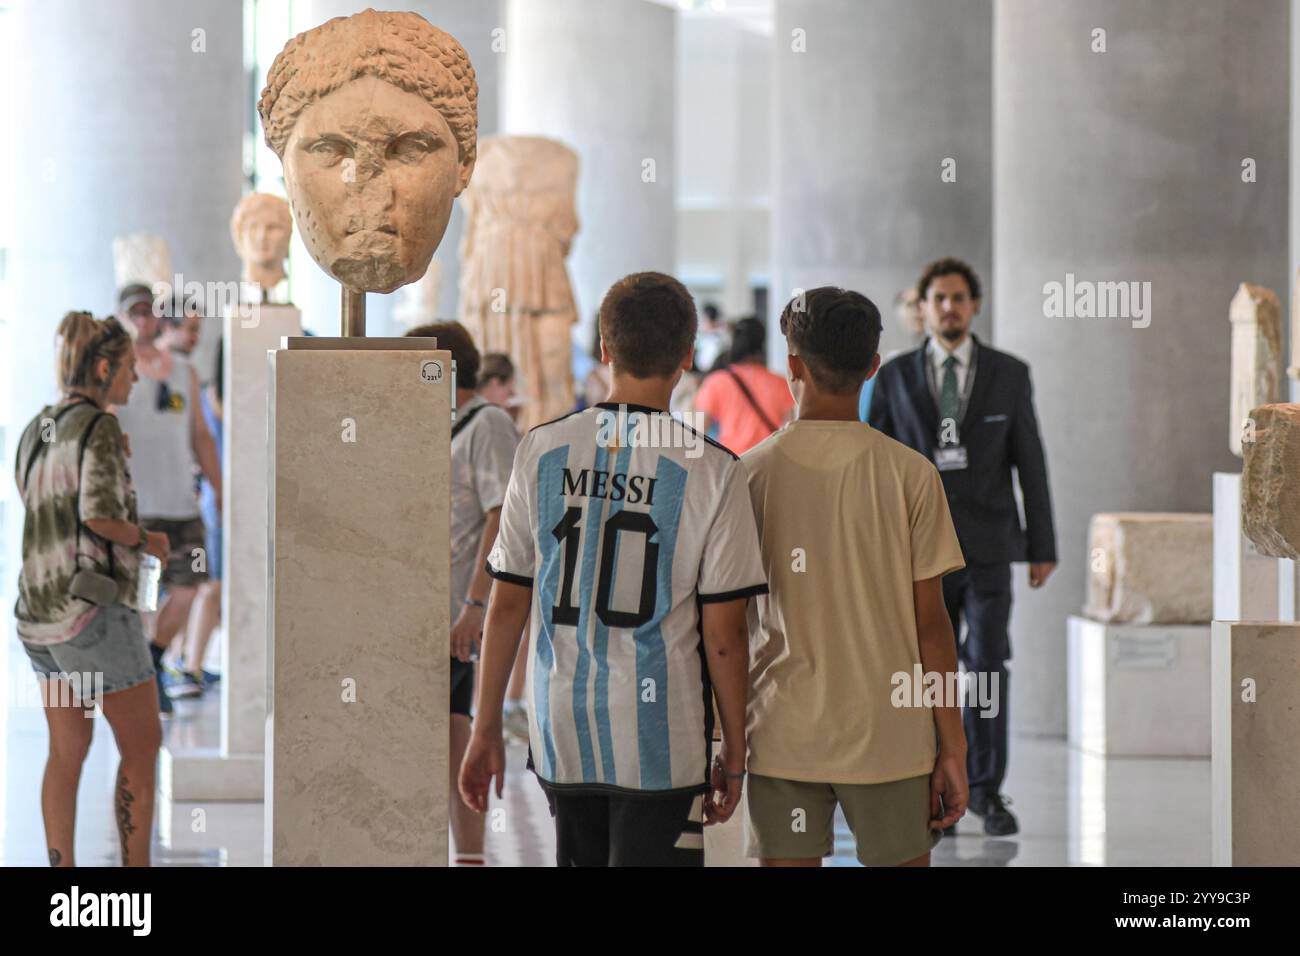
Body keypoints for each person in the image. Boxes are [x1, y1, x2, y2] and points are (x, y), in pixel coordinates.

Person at [459, 271, 767, 867]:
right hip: (662, 734)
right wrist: (734, 748)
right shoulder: (712, 469)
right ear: (687, 356)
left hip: (561, 727)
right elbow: (724, 637)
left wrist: (485, 724)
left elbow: (508, 605)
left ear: (604, 347)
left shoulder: (542, 448)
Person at [740, 288, 967, 867]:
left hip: (781, 732)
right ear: (873, 366)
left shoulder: (749, 475)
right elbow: (933, 626)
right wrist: (954, 744)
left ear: (792, 365)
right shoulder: (911, 475)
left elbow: (726, 623)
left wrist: (721, 737)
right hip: (891, 736)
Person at [868, 257, 1057, 836]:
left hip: (990, 546)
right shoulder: (895, 377)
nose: (949, 307)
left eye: (958, 298)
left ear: (974, 306)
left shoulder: (1009, 373)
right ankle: (935, 788)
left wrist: (1041, 544)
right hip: (918, 551)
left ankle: (987, 791)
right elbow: (873, 463)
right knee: (930, 670)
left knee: (987, 663)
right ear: (922, 308)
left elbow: (1030, 458)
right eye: (938, 298)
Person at [14, 311, 170, 866]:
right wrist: (147, 538)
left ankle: (64, 881)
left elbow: (36, 497)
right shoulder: (99, 427)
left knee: (67, 750)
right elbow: (101, 517)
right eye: (127, 368)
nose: (134, 378)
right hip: (93, 614)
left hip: (39, 616)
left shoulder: (40, 426)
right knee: (142, 747)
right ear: (104, 367)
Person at [409, 322, 520, 865]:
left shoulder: (488, 424)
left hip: (457, 607)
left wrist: (475, 606)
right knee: (451, 728)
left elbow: (502, 518)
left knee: (456, 728)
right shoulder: (433, 424)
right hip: (425, 606)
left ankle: (470, 855)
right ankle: (465, 856)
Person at [113, 285, 222, 715]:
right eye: (133, 313)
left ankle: (153, 660)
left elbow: (199, 435)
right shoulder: (118, 368)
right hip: (136, 508)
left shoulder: (182, 371)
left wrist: (220, 486)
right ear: (122, 318)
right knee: (139, 596)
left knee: (190, 587)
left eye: (148, 312)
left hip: (182, 505)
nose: (143, 320)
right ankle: (142, 681)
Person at [172, 338, 224, 698]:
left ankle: (185, 661)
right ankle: (187, 665)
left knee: (203, 585)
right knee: (209, 585)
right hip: (215, 500)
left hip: (214, 497)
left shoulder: (206, 393)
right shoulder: (214, 398)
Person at [693, 316, 793, 454]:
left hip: (731, 464)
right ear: (763, 343)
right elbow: (789, 431)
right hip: (767, 465)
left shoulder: (716, 382)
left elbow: (696, 433)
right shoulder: (781, 383)